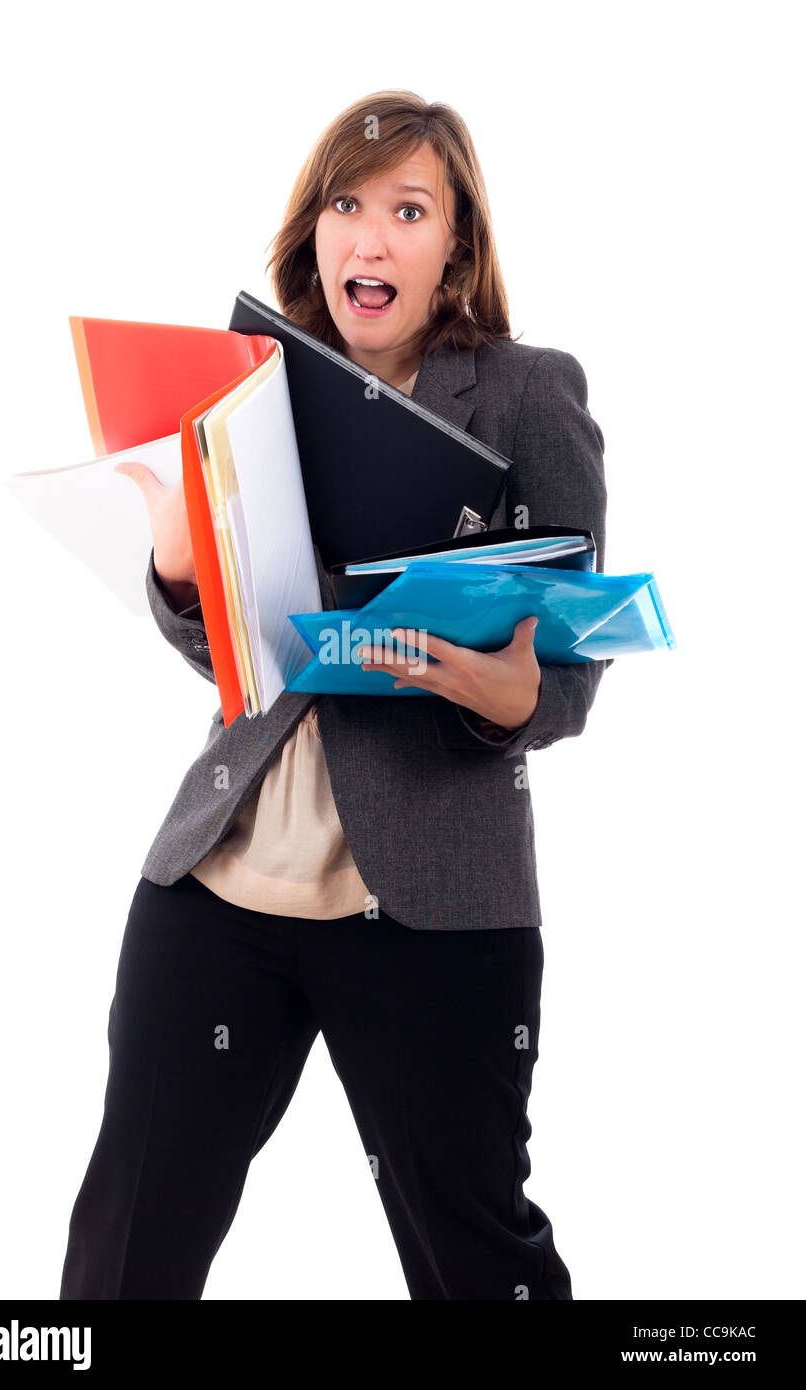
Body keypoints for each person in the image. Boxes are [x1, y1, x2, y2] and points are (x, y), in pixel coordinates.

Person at [59, 89, 611, 1301]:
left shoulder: (526, 394)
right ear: (312, 230)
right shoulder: (255, 383)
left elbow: (566, 669)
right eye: (345, 207)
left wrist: (513, 690)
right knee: (124, 1249)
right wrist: (174, 565)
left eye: (407, 210)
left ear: (454, 242)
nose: (369, 239)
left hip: (427, 907)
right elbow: (240, 655)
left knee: (477, 1258)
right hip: (219, 885)